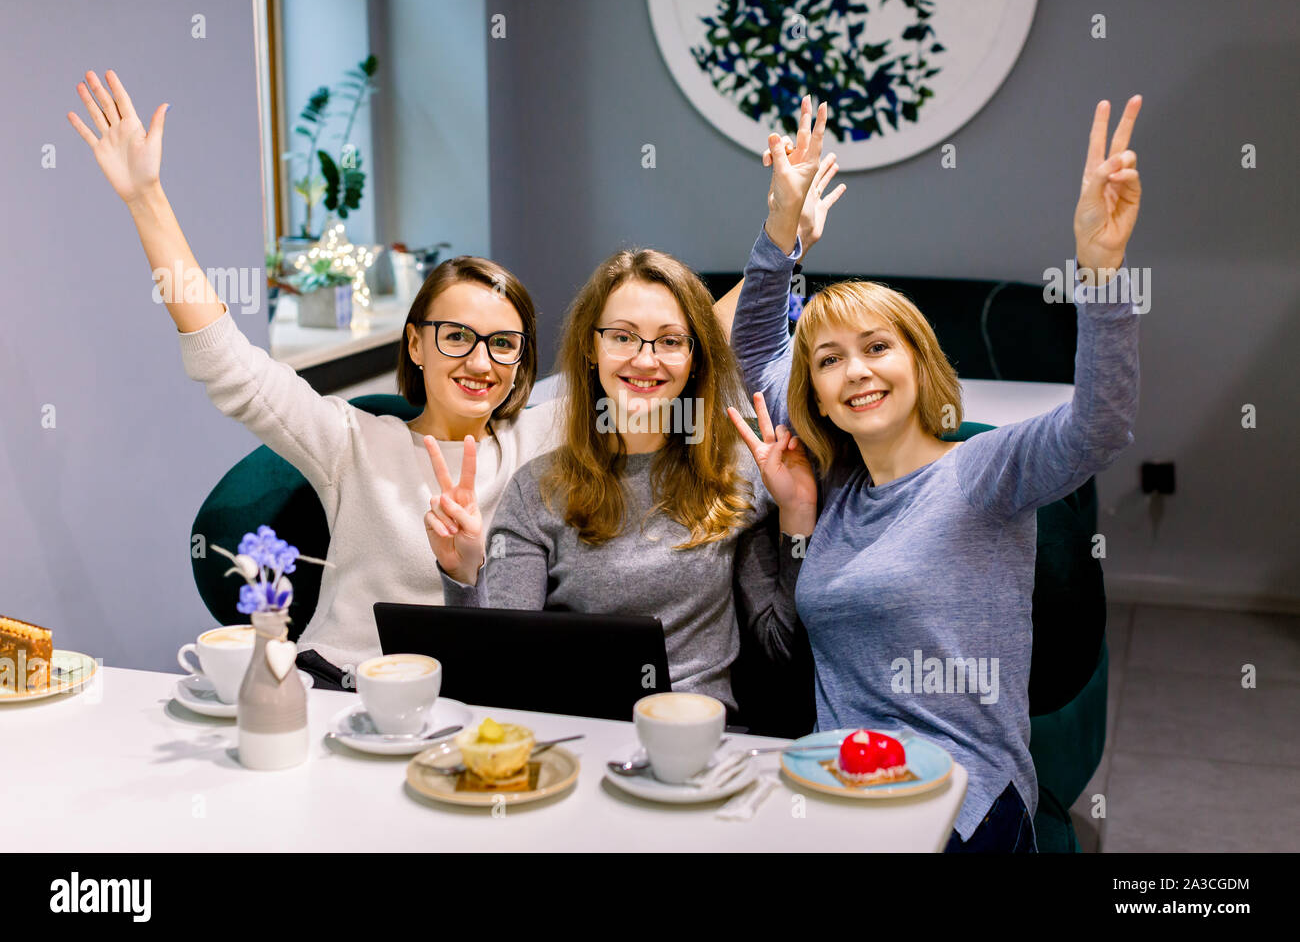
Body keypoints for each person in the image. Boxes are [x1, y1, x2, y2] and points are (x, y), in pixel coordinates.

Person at [729, 95, 1144, 851]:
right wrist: (779, 230)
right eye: (828, 360)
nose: (856, 372)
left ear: (919, 361)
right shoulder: (838, 480)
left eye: (877, 347)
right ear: (814, 392)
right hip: (835, 790)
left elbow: (1099, 426)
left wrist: (1103, 273)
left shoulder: (985, 472)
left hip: (962, 795)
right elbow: (755, 353)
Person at [68, 69, 567, 688]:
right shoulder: (353, 441)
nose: (480, 361)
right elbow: (227, 361)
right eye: (457, 336)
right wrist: (147, 199)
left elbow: (668, 359)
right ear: (415, 342)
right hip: (336, 689)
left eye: (504, 344)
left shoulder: (542, 438)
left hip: (469, 702)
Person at [423, 247, 820, 721]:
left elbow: (782, 649)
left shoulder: (741, 471)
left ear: (695, 357)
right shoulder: (537, 490)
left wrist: (797, 520)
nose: (646, 360)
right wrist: (466, 576)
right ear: (592, 349)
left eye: (671, 341)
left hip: (702, 737)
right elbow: (499, 672)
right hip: (579, 735)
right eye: (623, 337)